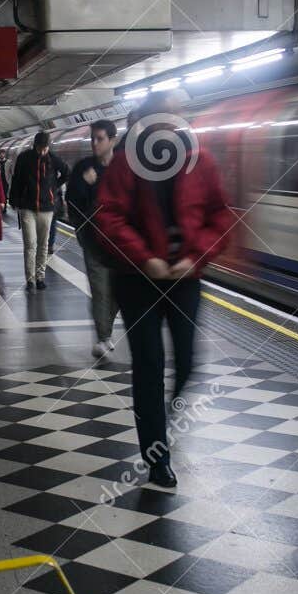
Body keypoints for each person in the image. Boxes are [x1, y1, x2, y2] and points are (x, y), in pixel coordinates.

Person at [94, 111, 236, 488]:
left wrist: (195, 257)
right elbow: (109, 218)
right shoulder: (126, 165)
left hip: (186, 277)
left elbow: (220, 215)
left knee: (188, 361)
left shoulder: (200, 161)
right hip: (137, 280)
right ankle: (157, 456)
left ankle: (164, 415)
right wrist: (146, 258)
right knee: (149, 365)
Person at [65, 119, 122, 359]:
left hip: (121, 243)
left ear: (112, 140)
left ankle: (105, 329)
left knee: (119, 291)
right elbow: (72, 200)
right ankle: (102, 337)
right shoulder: (83, 168)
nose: (94, 144)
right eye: (93, 139)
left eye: (100, 139)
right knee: (100, 289)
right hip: (93, 240)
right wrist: (85, 185)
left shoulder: (124, 167)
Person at [9, 130, 68, 291]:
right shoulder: (24, 158)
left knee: (43, 245)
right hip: (28, 207)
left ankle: (40, 277)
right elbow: (17, 180)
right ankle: (30, 279)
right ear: (35, 145)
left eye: (46, 148)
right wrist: (14, 199)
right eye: (41, 148)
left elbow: (66, 172)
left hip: (47, 208)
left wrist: (53, 187)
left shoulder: (53, 159)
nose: (43, 151)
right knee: (30, 245)